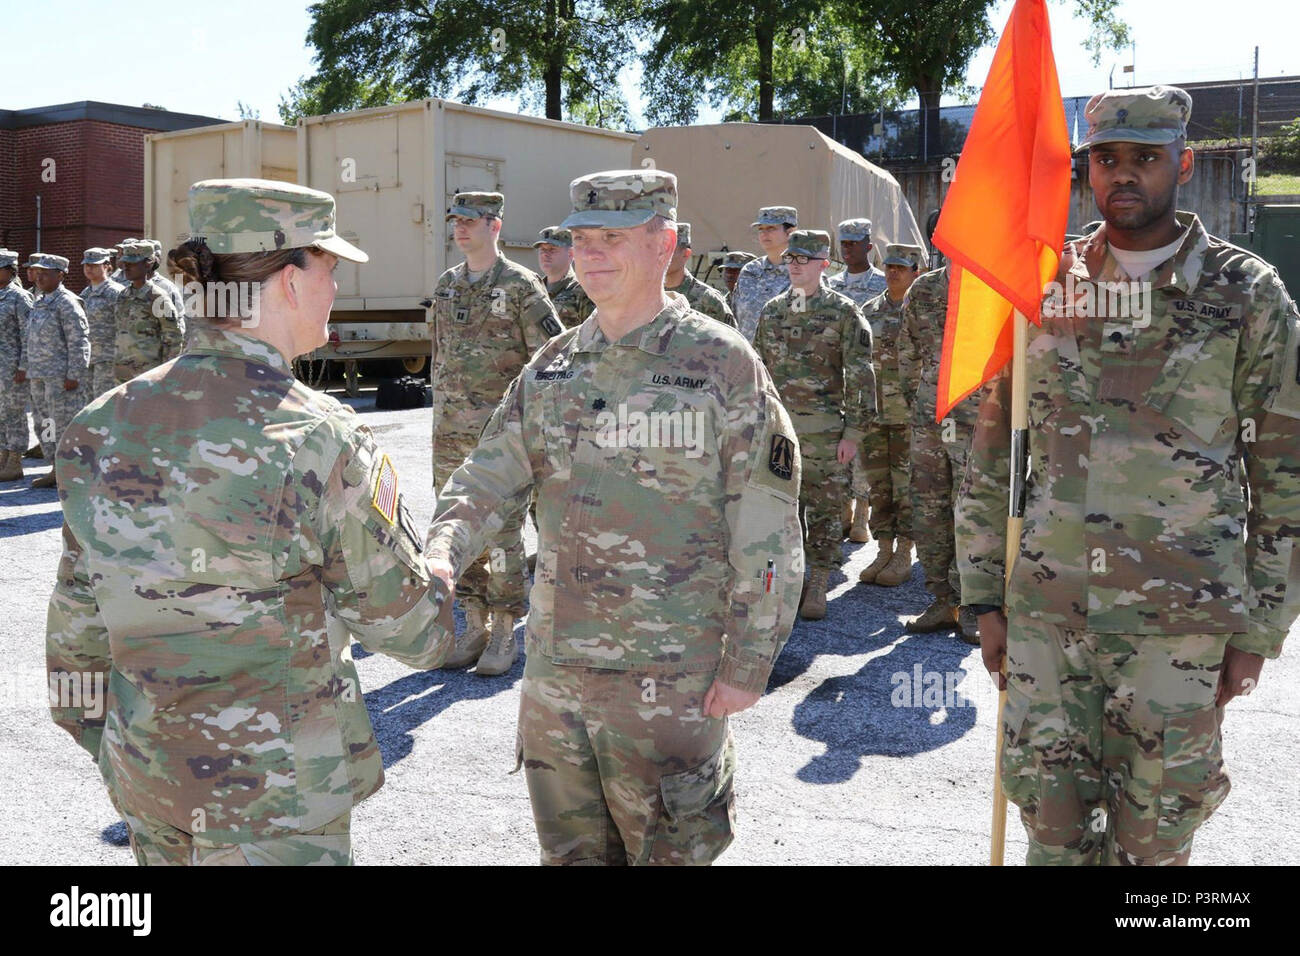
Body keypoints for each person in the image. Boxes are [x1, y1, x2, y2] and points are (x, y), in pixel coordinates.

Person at [46, 177, 455, 866]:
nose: (334, 290)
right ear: (289, 280)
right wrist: (438, 580)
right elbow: (415, 633)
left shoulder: (98, 426)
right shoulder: (320, 437)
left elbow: (73, 645)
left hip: (151, 789)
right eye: (328, 269)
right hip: (278, 810)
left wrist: (123, 754)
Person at [957, 86, 1300, 865]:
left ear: (1181, 162)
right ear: (1087, 170)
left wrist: (1259, 632)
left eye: (1145, 158)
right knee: (1051, 831)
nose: (1125, 175)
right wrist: (982, 595)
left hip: (1177, 625)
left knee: (1153, 840)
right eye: (1107, 159)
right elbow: (993, 455)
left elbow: (1284, 471)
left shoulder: (1245, 295)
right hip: (1049, 617)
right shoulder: (1043, 288)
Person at [427, 169, 803, 865]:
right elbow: (486, 475)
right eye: (580, 238)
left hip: (667, 685)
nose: (590, 253)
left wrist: (750, 660)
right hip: (557, 682)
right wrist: (444, 545)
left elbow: (768, 524)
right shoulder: (552, 367)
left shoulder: (721, 365)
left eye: (612, 237)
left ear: (664, 243)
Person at [430, 191, 564, 676]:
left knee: (504, 533)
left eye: (470, 221)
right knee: (458, 527)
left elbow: (552, 359)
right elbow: (440, 355)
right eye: (455, 221)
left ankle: (506, 628)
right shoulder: (447, 285)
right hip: (450, 435)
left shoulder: (523, 285)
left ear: (495, 226)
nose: (460, 229)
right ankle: (473, 623)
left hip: (500, 437)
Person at [753, 229, 875, 620]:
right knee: (780, 508)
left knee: (823, 509)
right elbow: (758, 371)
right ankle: (788, 581)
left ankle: (819, 578)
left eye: (803, 259)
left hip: (825, 432)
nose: (794, 266)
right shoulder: (773, 310)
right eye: (791, 259)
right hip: (779, 431)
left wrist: (853, 434)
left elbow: (861, 377)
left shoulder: (843, 313)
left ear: (824, 263)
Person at [896, 264, 979, 640]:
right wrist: (920, 398)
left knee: (972, 509)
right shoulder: (925, 289)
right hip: (930, 414)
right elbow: (908, 352)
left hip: (979, 417)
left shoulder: (994, 285)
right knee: (928, 506)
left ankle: (973, 603)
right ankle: (943, 599)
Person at [857, 244, 924, 586]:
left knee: (906, 486)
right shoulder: (868, 311)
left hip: (910, 416)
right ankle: (883, 548)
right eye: (889, 266)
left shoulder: (924, 311)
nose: (893, 272)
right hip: (874, 413)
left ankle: (904, 552)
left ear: (918, 271)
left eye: (901, 266)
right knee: (879, 485)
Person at [828, 218, 889, 539]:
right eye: (844, 243)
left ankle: (863, 511)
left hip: (870, 375)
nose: (848, 249)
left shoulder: (882, 283)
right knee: (838, 441)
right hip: (837, 376)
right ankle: (843, 508)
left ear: (869, 246)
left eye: (854, 243)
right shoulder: (830, 284)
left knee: (863, 444)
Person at [17, 254, 89, 489]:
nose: (40, 277)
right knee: (44, 424)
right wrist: (26, 368)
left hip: (61, 379)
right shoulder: (39, 301)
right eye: (38, 273)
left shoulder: (66, 302)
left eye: (46, 273)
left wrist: (74, 375)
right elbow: (29, 339)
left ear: (60, 275)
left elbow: (79, 341)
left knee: (64, 424)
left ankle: (71, 470)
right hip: (39, 376)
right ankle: (55, 467)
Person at [113, 240, 184, 385]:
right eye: (125, 262)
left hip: (149, 374)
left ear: (148, 263)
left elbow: (174, 338)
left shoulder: (157, 297)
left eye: (132, 263)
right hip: (122, 372)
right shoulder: (123, 296)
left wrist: (166, 373)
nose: (126, 267)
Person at [732, 206, 796, 341]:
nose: (764, 234)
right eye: (761, 229)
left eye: (771, 228)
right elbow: (735, 315)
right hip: (748, 356)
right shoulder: (750, 271)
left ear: (790, 232)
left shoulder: (801, 271)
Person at [0, 249, 34, 482]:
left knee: (14, 414)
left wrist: (24, 367)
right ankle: (3, 456)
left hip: (12, 368)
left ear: (10, 271)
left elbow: (29, 335)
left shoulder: (19, 297)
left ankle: (15, 461)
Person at [664, 222, 735, 328]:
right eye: (661, 248)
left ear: (686, 254)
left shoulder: (709, 301)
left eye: (671, 250)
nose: (663, 255)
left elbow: (732, 341)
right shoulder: (648, 296)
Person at [80, 248, 124, 399]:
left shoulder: (116, 292)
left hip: (108, 357)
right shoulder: (85, 294)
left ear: (106, 265)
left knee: (103, 400)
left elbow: (124, 325)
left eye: (93, 265)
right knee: (87, 401)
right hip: (88, 357)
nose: (89, 268)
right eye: (86, 265)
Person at [533, 225, 593, 327]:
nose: (545, 254)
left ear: (571, 253)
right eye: (542, 250)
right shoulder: (534, 290)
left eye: (552, 249)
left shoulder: (583, 292)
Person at [720, 250, 755, 315]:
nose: (729, 274)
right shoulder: (721, 302)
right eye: (727, 270)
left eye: (736, 270)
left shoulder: (759, 302)